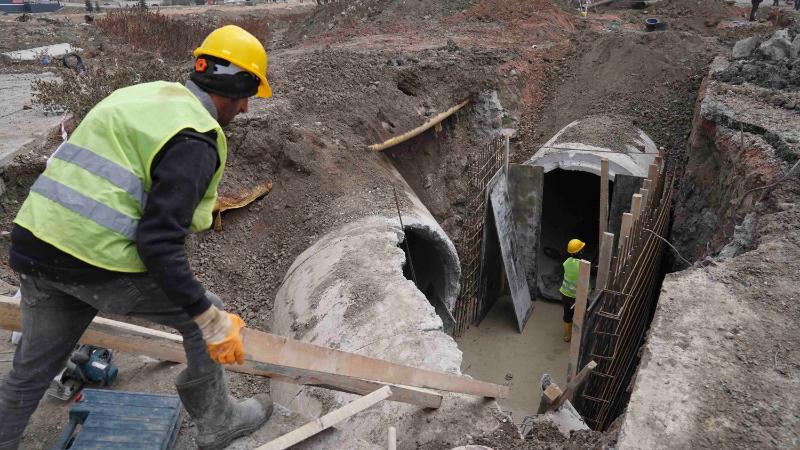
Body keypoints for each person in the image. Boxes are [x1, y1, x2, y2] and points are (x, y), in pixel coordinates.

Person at [0, 25, 272, 450]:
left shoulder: (141, 96)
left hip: (35, 247)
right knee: (209, 318)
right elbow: (158, 244)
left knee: (31, 371)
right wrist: (205, 314)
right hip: (92, 263)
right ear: (235, 88)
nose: (247, 110)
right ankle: (219, 423)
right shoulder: (194, 138)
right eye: (247, 97)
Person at [559, 239, 586, 343]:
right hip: (576, 296)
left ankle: (567, 336)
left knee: (567, 314)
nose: (583, 250)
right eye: (582, 249)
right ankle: (580, 335)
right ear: (579, 252)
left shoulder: (566, 262)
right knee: (583, 313)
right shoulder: (582, 265)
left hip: (565, 294)